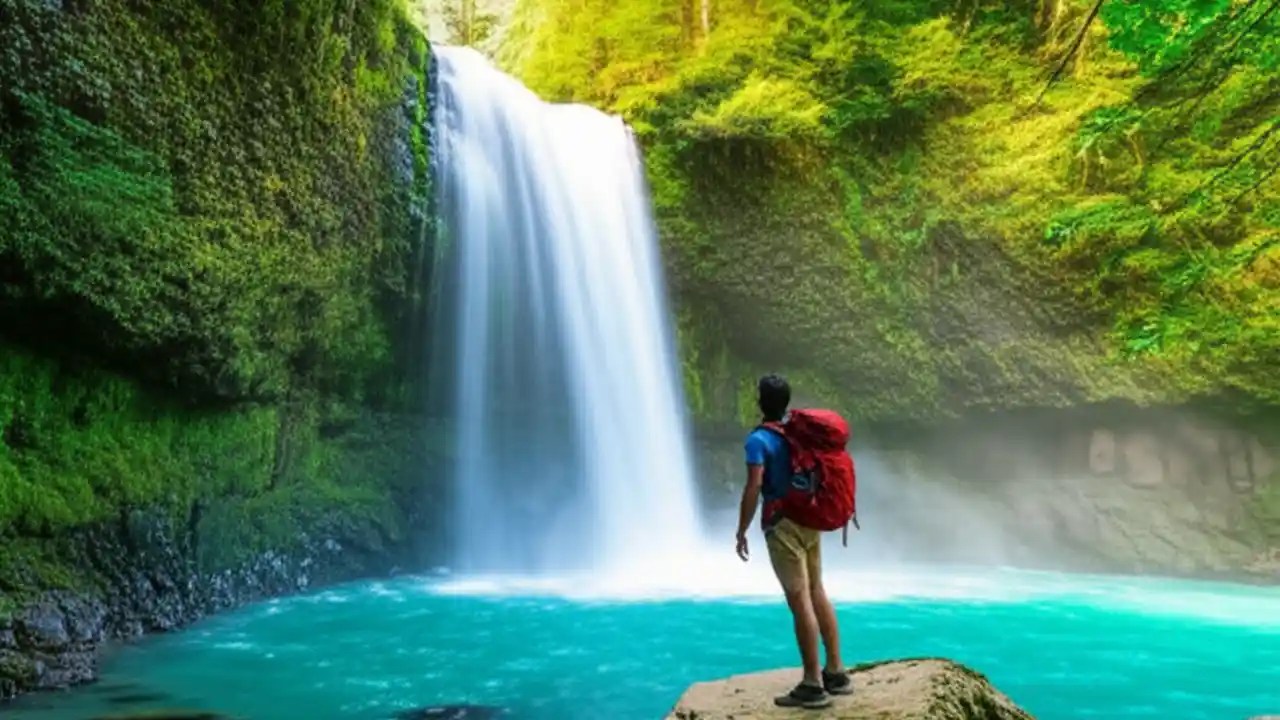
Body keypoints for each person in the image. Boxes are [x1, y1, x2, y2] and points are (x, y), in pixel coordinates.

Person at [735, 374, 851, 709]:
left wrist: (742, 528)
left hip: (782, 524)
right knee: (817, 590)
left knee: (799, 600)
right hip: (808, 518)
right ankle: (836, 671)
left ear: (760, 402)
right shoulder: (796, 434)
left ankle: (813, 683)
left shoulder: (758, 440)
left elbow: (754, 486)